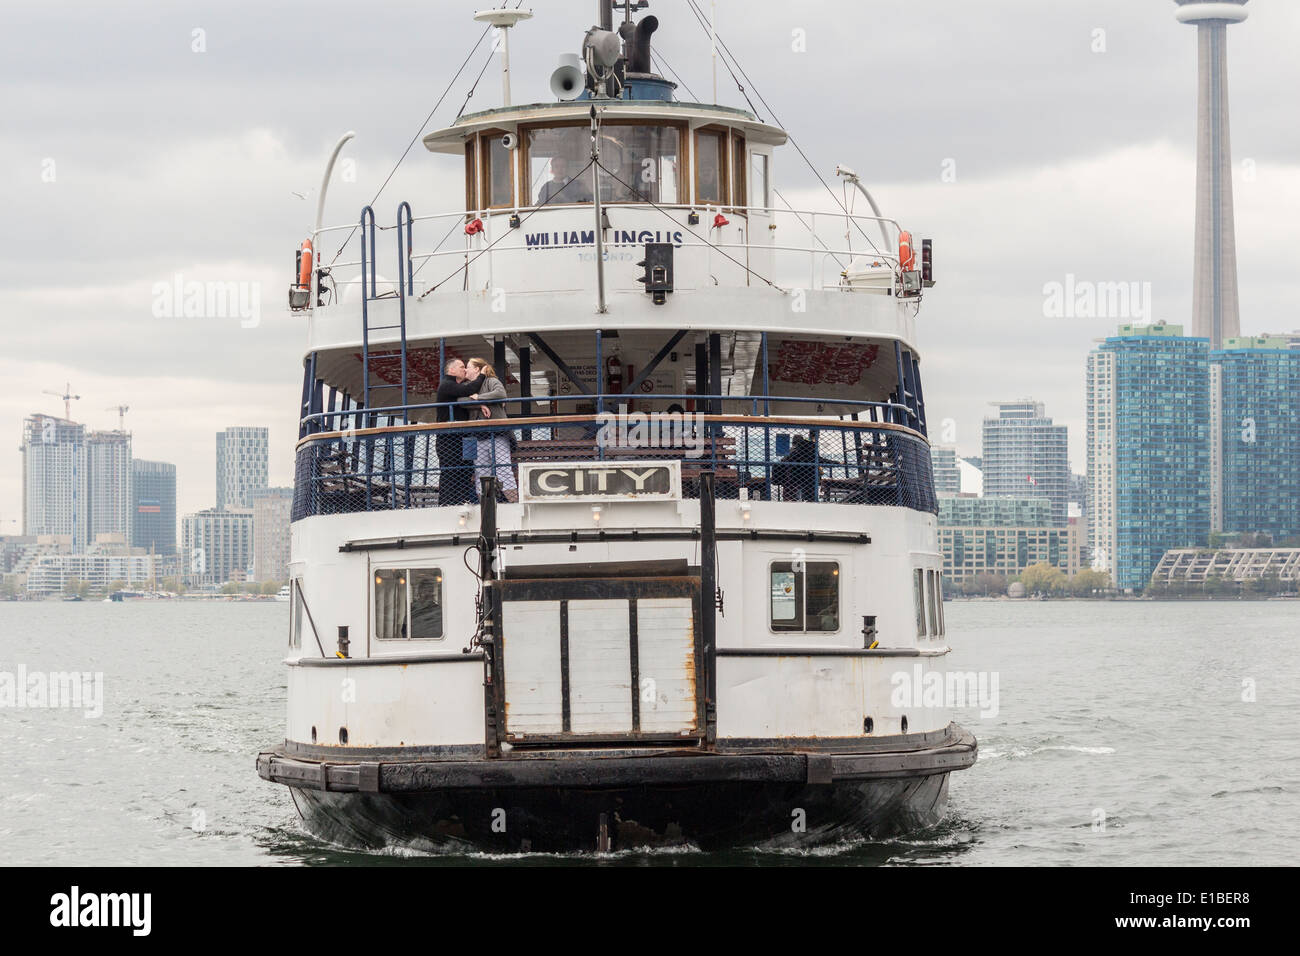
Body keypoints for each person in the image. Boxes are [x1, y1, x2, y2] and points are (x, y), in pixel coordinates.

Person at [464, 358, 518, 503]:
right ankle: (486, 506)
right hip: (477, 436)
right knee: (481, 472)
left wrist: (479, 397)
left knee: (503, 469)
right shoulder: (467, 386)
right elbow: (461, 401)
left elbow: (501, 394)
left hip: (497, 434)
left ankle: (514, 504)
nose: (465, 370)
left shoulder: (491, 381)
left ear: (477, 369)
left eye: (468, 367)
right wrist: (480, 404)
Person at [435, 358, 485, 505]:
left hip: (463, 437)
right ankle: (446, 505)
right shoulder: (447, 385)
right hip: (449, 439)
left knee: (466, 471)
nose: (464, 370)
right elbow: (468, 390)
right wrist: (482, 375)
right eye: (461, 367)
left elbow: (466, 396)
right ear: (451, 370)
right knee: (450, 472)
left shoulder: (456, 386)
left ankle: (463, 502)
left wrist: (480, 403)